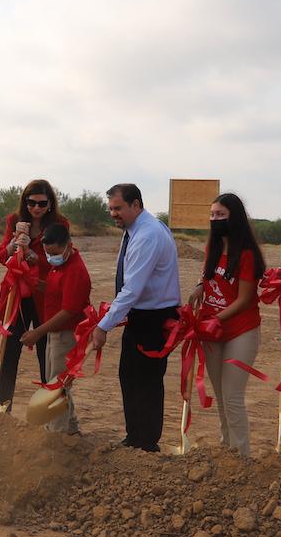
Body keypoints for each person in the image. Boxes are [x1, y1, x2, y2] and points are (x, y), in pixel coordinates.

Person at [89, 184, 182, 452]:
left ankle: (146, 444)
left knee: (147, 380)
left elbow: (132, 289)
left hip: (153, 318)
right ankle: (135, 437)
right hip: (140, 315)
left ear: (136, 205)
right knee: (129, 375)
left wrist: (103, 326)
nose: (113, 214)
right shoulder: (136, 230)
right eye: (110, 209)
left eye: (118, 208)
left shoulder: (148, 235)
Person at [186, 193, 266, 456]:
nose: (215, 219)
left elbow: (244, 299)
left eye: (220, 214)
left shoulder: (247, 254)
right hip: (211, 329)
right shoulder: (214, 245)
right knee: (221, 394)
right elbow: (208, 274)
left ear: (235, 217)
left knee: (232, 395)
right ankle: (226, 447)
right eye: (212, 215)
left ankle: (241, 454)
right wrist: (200, 286)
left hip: (240, 329)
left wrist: (216, 319)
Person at [0, 180, 69, 407]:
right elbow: (2, 256)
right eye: (31, 202)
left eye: (42, 203)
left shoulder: (60, 224)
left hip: (44, 295)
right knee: (10, 349)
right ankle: (3, 404)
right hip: (18, 295)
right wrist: (14, 243)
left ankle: (50, 408)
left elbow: (63, 259)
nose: (36, 208)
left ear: (50, 203)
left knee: (46, 351)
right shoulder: (14, 220)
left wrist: (35, 258)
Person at [21, 222, 92, 434]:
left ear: (68, 245)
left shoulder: (75, 270)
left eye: (54, 252)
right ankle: (70, 428)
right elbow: (57, 292)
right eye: (48, 253)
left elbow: (68, 311)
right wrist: (35, 283)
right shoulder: (60, 265)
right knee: (57, 380)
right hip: (55, 333)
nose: (51, 257)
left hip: (67, 334)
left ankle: (57, 433)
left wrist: (37, 332)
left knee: (57, 385)